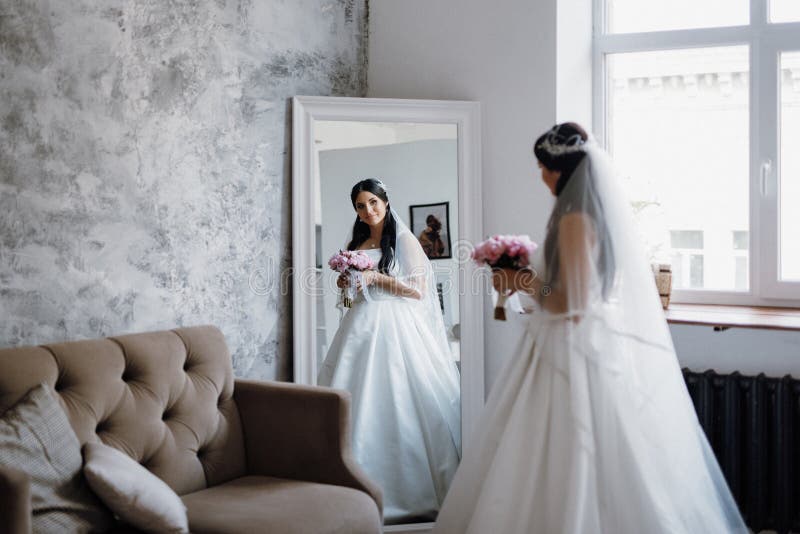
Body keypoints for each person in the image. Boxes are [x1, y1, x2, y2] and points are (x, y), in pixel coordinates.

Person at [433, 123, 747, 533]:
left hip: (569, 353)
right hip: (565, 345)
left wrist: (518, 281)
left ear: (562, 169)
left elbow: (572, 304)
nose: (540, 175)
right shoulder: (580, 218)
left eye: (543, 166)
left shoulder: (575, 221)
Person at [318, 179, 462, 524]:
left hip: (395, 326)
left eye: (372, 202)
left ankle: (409, 492)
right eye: (359, 205)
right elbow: (354, 293)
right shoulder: (356, 242)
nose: (367, 210)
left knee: (398, 395)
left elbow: (417, 291)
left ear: (385, 201)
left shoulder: (406, 240)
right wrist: (347, 281)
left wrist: (376, 278)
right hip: (360, 322)